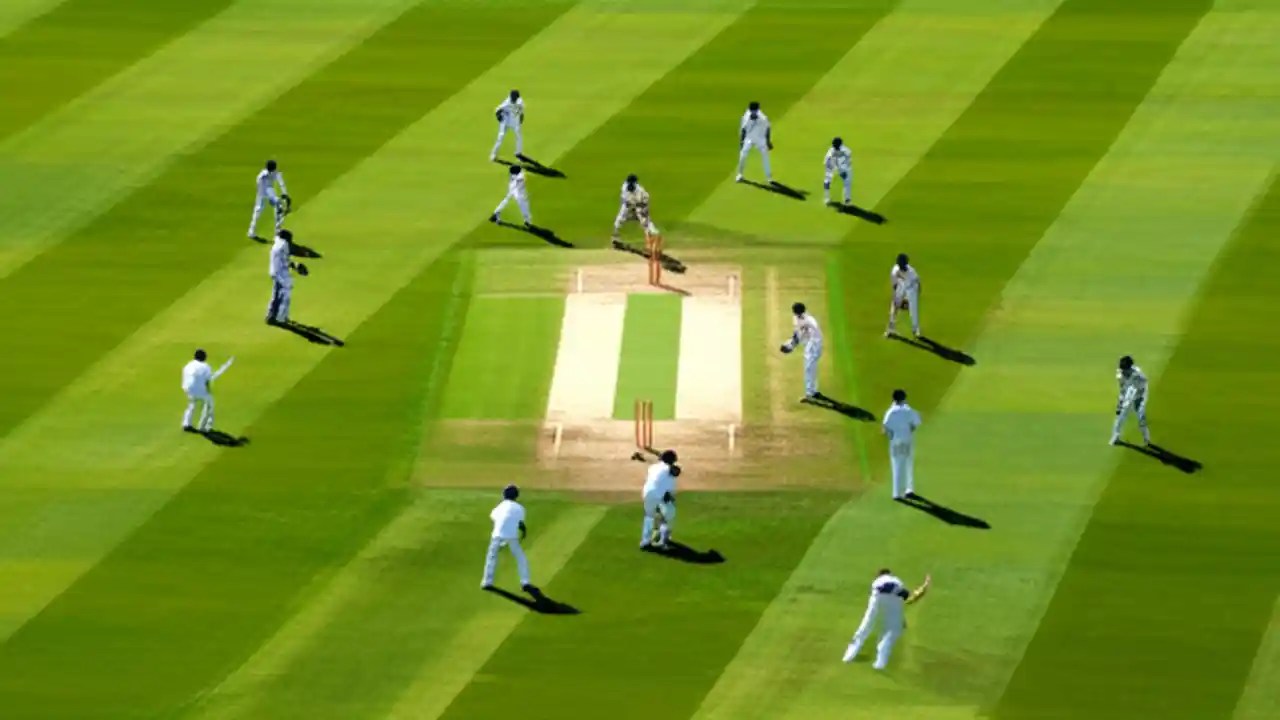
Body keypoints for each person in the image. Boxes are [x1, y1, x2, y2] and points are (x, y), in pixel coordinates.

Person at [842, 569, 931, 670]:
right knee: (893, 630)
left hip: (878, 595)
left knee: (866, 625)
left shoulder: (878, 581)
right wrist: (925, 586)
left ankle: (848, 656)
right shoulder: (896, 581)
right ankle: (880, 663)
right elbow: (908, 599)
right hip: (893, 594)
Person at [481, 484, 533, 591]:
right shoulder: (520, 508)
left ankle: (487, 582)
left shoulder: (499, 507)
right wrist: (524, 532)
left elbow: (494, 518)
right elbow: (520, 523)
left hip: (497, 535)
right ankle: (525, 582)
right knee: (521, 558)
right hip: (512, 536)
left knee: (491, 557)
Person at [882, 389, 922, 499]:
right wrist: (909, 431)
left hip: (895, 441)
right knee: (908, 464)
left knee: (897, 465)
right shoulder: (908, 410)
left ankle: (896, 493)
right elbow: (916, 423)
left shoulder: (890, 412)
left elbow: (885, 428)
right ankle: (909, 489)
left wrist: (891, 435)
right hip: (907, 440)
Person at [181, 349, 232, 433]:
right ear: (204, 358)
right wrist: (208, 391)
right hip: (199, 390)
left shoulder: (188, 365)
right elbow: (208, 380)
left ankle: (186, 424)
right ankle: (203, 427)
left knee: (192, 404)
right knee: (209, 405)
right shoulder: (205, 366)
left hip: (187, 389)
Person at [781, 302, 823, 400]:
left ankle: (810, 393)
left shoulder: (810, 320)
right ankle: (813, 391)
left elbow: (816, 334)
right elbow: (796, 335)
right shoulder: (796, 319)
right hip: (809, 345)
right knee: (811, 368)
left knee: (809, 368)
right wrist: (790, 345)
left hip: (814, 345)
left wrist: (813, 345)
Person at [641, 450, 679, 549]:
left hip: (647, 493)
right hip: (663, 495)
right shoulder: (669, 468)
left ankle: (645, 542)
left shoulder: (653, 467)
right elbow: (676, 471)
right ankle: (663, 541)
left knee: (649, 517)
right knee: (667, 518)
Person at [1111, 355, 1151, 446]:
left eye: (1125, 369)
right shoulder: (1120, 375)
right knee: (1121, 415)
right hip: (1130, 391)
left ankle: (1146, 439)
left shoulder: (1138, 375)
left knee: (1141, 416)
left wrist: (1139, 400)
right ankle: (1115, 436)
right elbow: (1122, 389)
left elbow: (1143, 386)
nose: (1123, 371)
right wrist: (1120, 403)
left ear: (1130, 368)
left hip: (1140, 392)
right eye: (1122, 369)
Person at [248, 159, 290, 240]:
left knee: (279, 208)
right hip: (262, 192)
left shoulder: (276, 173)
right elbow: (258, 184)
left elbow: (281, 183)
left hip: (270, 190)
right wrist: (263, 195)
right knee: (258, 211)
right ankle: (251, 231)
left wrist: (285, 194)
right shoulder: (262, 175)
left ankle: (277, 232)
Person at [612, 174, 659, 246]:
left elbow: (644, 202)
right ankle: (615, 236)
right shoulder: (624, 186)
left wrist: (641, 210)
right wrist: (630, 209)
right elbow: (624, 200)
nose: (629, 185)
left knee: (645, 222)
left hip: (640, 206)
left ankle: (653, 237)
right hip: (627, 205)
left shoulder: (640, 191)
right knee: (620, 218)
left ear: (635, 184)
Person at [735, 101, 773, 183]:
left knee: (765, 156)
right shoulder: (746, 116)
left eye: (755, 110)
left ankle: (769, 177)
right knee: (742, 155)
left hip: (760, 138)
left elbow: (768, 128)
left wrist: (768, 141)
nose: (753, 112)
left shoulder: (763, 118)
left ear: (758, 110)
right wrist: (742, 141)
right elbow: (743, 129)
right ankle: (740, 174)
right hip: (749, 138)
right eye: (752, 110)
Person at [886, 253, 921, 338]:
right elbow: (894, 285)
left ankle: (915, 329)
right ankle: (891, 328)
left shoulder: (911, 271)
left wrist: (914, 295)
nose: (903, 265)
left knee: (913, 309)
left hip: (911, 288)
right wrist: (898, 299)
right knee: (894, 306)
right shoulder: (895, 271)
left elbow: (918, 283)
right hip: (900, 286)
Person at [266, 230, 295, 326]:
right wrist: (294, 266)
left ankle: (270, 315)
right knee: (285, 295)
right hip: (281, 273)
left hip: (273, 271)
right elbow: (285, 260)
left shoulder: (277, 243)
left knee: (275, 294)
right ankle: (281, 318)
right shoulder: (284, 244)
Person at [490, 89, 524, 160]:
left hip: (515, 121)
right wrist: (499, 117)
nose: (513, 99)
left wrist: (521, 119)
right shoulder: (507, 102)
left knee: (518, 136)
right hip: (506, 120)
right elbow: (497, 110)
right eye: (513, 98)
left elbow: (521, 112)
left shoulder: (520, 102)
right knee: (501, 136)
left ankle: (518, 153)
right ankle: (494, 153)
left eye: (515, 98)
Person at [823, 137, 853, 205]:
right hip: (831, 164)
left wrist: (843, 171)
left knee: (847, 181)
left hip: (842, 165)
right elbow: (827, 163)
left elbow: (848, 162)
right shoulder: (830, 153)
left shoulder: (846, 151)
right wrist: (830, 172)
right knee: (827, 181)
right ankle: (827, 198)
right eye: (834, 145)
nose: (835, 147)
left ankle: (847, 199)